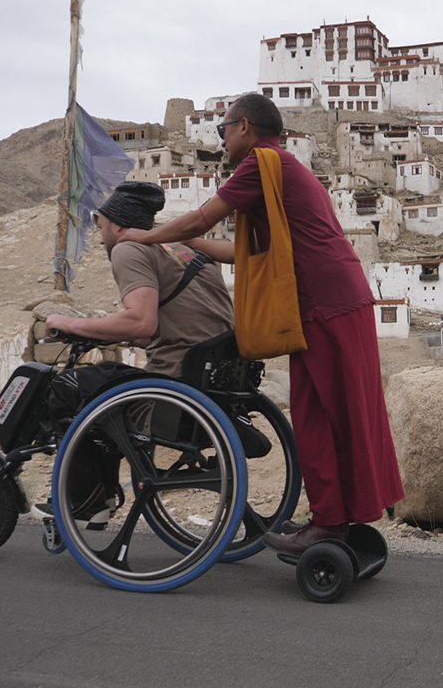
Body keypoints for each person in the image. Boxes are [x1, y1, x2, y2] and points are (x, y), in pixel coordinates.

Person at [118, 93, 404, 555]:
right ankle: (333, 517)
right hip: (334, 299)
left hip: (325, 304)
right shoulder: (282, 169)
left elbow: (202, 215)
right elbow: (242, 254)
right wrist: (185, 244)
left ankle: (330, 524)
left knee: (323, 417)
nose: (222, 139)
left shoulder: (261, 164)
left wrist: (143, 235)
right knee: (331, 413)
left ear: (244, 127)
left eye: (222, 130)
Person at [31, 180, 235, 527]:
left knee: (69, 388)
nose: (100, 238)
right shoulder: (185, 250)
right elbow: (174, 323)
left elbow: (141, 322)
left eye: (101, 228)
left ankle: (85, 501)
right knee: (101, 383)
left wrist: (71, 323)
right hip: (218, 382)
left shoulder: (129, 249)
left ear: (119, 225)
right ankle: (103, 494)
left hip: (177, 386)